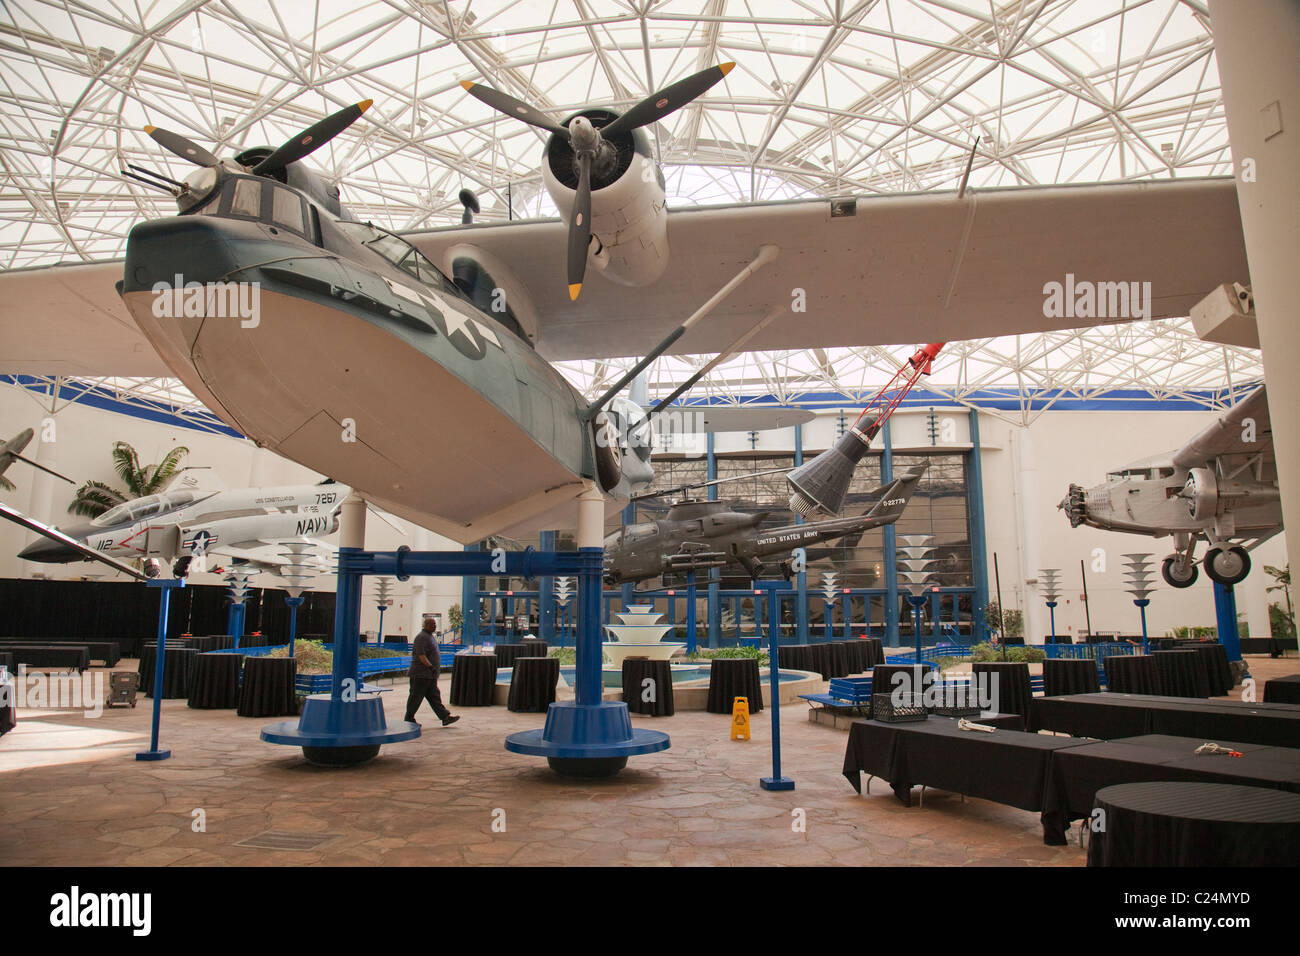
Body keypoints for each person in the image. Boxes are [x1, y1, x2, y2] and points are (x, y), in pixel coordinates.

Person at [405, 617, 459, 727]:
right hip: (420, 675)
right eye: (432, 624)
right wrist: (431, 667)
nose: (434, 626)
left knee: (434, 697)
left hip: (429, 676)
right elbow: (421, 655)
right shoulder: (421, 637)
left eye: (435, 624)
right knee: (415, 697)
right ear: (426, 625)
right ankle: (408, 718)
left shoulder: (430, 637)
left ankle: (445, 717)